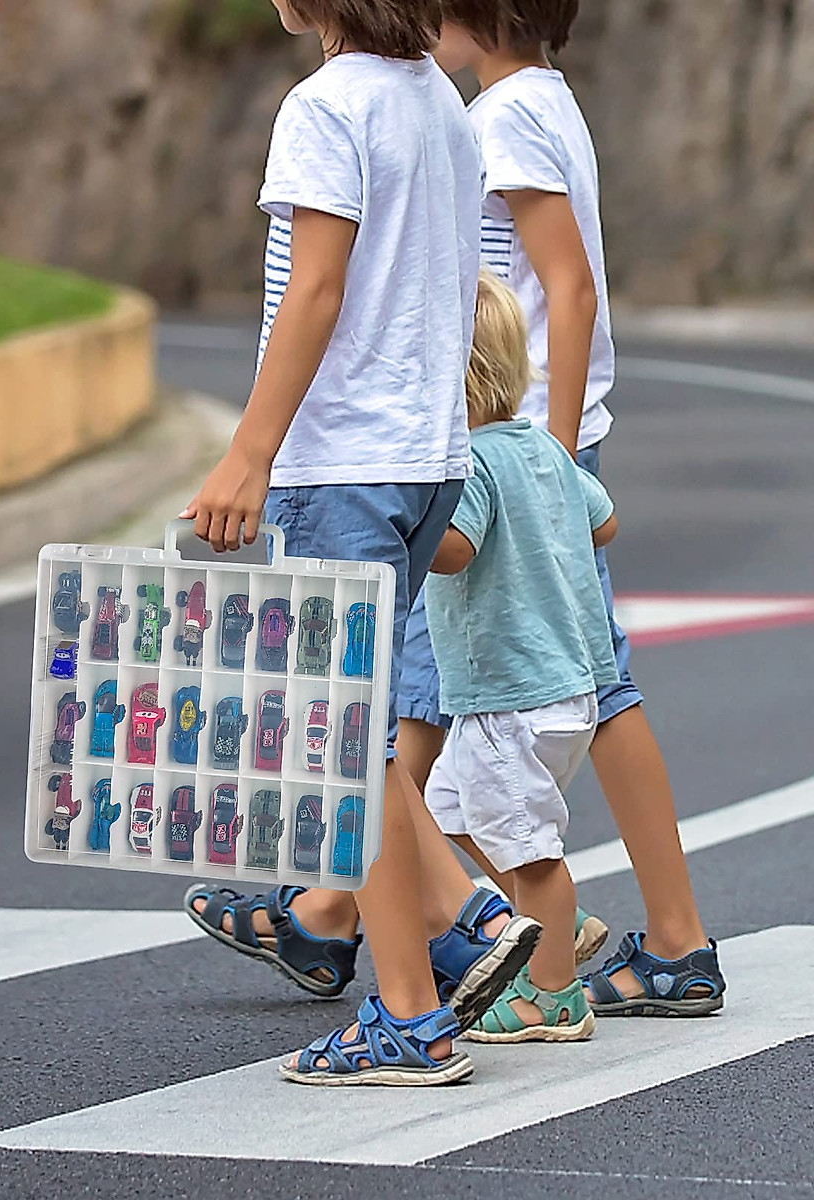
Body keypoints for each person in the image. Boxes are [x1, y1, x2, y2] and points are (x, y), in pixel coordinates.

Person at [180, 0, 541, 1085]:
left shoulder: (324, 105)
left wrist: (248, 453)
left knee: (345, 748)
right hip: (429, 457)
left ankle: (411, 1014)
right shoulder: (440, 101)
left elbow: (317, 290)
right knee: (363, 742)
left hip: (340, 460)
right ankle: (459, 926)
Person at [415, 0, 726, 1016]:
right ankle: (389, 908)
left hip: (521, 438)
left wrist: (542, 448)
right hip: (532, 437)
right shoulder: (543, 98)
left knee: (572, 680)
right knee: (565, 678)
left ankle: (555, 933)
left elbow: (570, 285)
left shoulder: (502, 117)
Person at [423, 270, 617, 1041]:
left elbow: (453, 551)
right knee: (448, 809)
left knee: (531, 852)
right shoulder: (539, 446)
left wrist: (408, 520)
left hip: (508, 697)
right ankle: (544, 928)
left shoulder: (469, 463)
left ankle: (552, 994)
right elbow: (603, 523)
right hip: (561, 690)